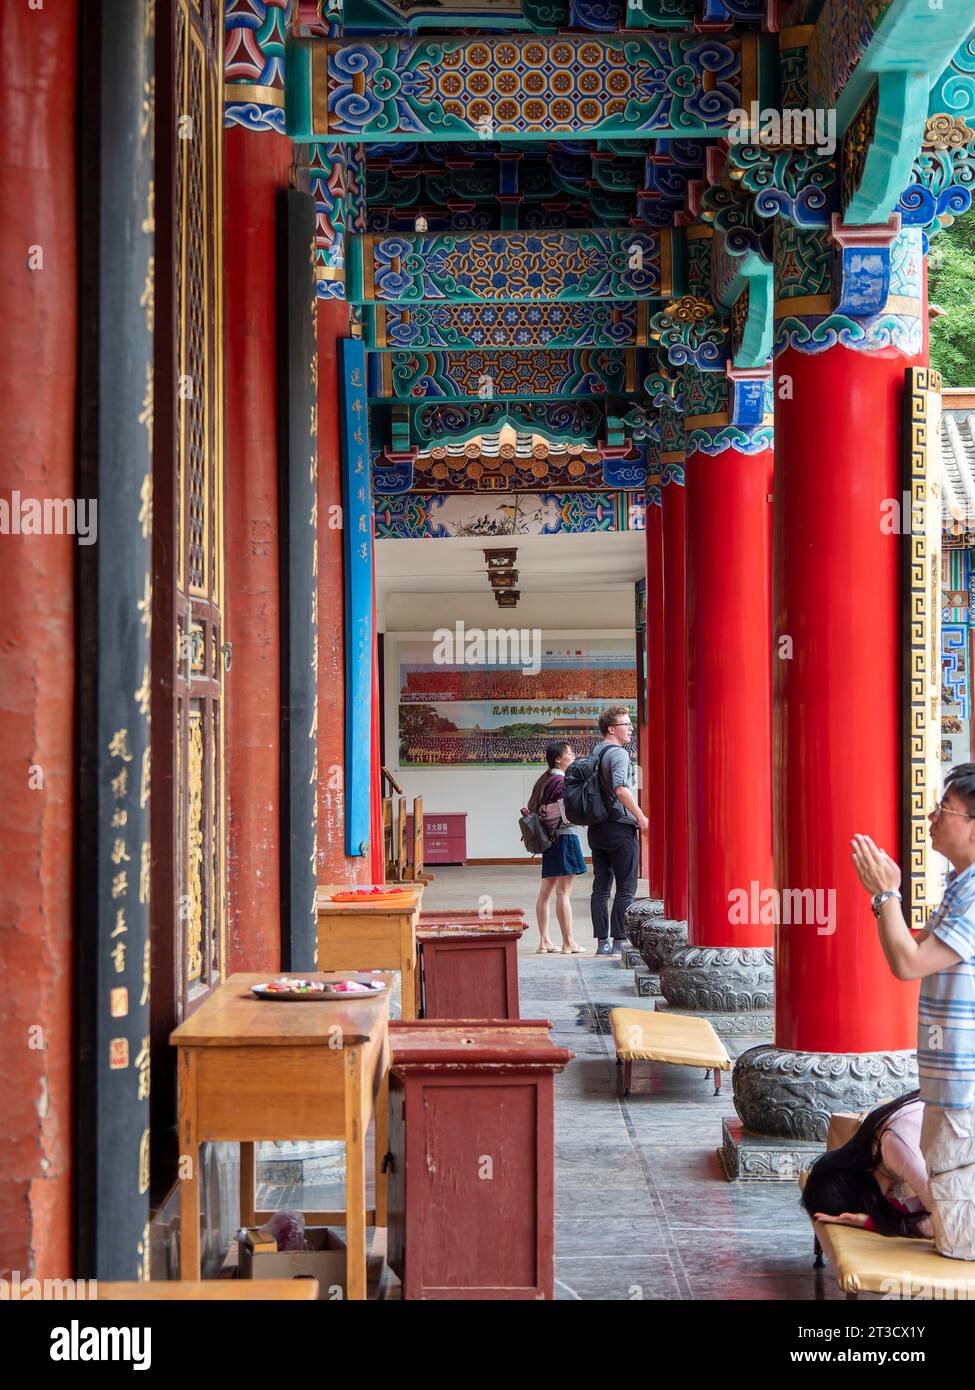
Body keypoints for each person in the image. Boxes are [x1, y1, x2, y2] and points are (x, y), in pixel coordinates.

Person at [850, 761, 975, 1260]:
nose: (931, 818)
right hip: (950, 1075)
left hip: (965, 1081)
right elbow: (913, 944)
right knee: (951, 1207)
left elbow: (908, 962)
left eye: (944, 810)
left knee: (961, 1237)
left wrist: (885, 893)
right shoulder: (960, 884)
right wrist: (886, 900)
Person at [800, 1090, 933, 1238]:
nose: (888, 1201)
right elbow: (933, 1206)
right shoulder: (877, 1129)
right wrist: (872, 1221)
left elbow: (947, 1225)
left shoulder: (897, 1147)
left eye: (869, 1207)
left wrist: (876, 1223)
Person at [589, 705, 648, 957]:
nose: (631, 728)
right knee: (626, 888)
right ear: (611, 729)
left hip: (597, 828)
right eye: (626, 724)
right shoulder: (619, 754)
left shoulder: (594, 752)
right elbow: (621, 790)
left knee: (601, 888)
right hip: (619, 828)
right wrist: (641, 816)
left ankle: (602, 943)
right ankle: (618, 943)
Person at [527, 742, 587, 955]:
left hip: (550, 841)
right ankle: (568, 942)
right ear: (558, 760)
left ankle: (544, 941)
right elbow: (566, 814)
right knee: (564, 892)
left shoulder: (545, 780)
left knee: (546, 891)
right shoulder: (561, 781)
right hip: (565, 838)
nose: (573, 756)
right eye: (569, 754)